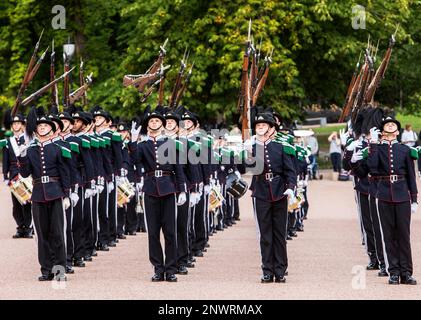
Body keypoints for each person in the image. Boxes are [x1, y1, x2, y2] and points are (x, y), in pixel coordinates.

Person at [130, 110, 187, 282]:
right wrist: (133, 141)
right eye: (151, 122)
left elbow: (178, 168)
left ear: (161, 124)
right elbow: (135, 161)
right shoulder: (142, 145)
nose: (154, 123)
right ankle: (158, 268)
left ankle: (170, 269)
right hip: (150, 189)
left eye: (157, 121)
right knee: (153, 233)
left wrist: (182, 189)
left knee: (170, 232)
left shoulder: (169, 143)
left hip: (168, 188)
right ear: (148, 126)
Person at [239, 112, 296, 283]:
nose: (260, 128)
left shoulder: (280, 147)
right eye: (258, 126)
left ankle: (280, 270)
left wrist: (291, 188)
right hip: (261, 191)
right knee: (265, 235)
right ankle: (267, 270)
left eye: (264, 125)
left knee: (279, 233)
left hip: (279, 191)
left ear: (271, 129)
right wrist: (245, 152)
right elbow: (243, 169)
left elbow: (290, 171)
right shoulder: (252, 147)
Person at [362, 117, 418, 285]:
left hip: (402, 194)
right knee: (388, 235)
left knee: (403, 235)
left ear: (397, 131)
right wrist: (372, 144)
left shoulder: (405, 150)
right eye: (388, 124)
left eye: (394, 124)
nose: (391, 125)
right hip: (385, 193)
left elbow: (411, 175)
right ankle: (393, 271)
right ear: (384, 131)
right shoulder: (377, 148)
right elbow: (372, 167)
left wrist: (414, 198)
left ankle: (406, 272)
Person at [18, 106, 70, 281]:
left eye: (45, 126)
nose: (42, 129)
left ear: (51, 129)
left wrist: (67, 194)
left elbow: (65, 173)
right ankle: (46, 270)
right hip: (39, 194)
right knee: (42, 235)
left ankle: (59, 271)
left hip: (55, 193)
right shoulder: (31, 150)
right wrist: (23, 156)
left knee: (57, 233)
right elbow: (25, 174)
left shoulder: (56, 148)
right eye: (39, 127)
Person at [1, 113, 33, 239]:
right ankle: (20, 227)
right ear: (12, 126)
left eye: (18, 123)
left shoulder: (28, 139)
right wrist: (5, 174)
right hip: (14, 173)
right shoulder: (8, 141)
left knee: (27, 201)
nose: (16, 125)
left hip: (26, 173)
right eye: (14, 124)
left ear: (22, 125)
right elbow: (5, 159)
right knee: (17, 203)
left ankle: (29, 227)